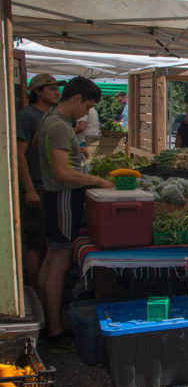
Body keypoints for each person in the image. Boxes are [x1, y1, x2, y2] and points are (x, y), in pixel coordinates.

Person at [33, 76, 115, 347]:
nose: (87, 112)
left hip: (54, 196)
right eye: (88, 106)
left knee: (51, 259)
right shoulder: (59, 126)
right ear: (77, 98)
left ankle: (46, 319)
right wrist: (97, 181)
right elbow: (62, 172)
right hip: (63, 196)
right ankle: (55, 330)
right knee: (59, 262)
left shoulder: (49, 120)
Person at [16, 74, 64, 290]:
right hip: (35, 186)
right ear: (37, 91)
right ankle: (34, 292)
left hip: (48, 186)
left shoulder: (50, 116)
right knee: (37, 245)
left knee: (47, 244)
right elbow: (19, 155)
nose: (57, 92)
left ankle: (44, 291)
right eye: (51, 88)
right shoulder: (27, 116)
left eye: (57, 88)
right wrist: (29, 189)